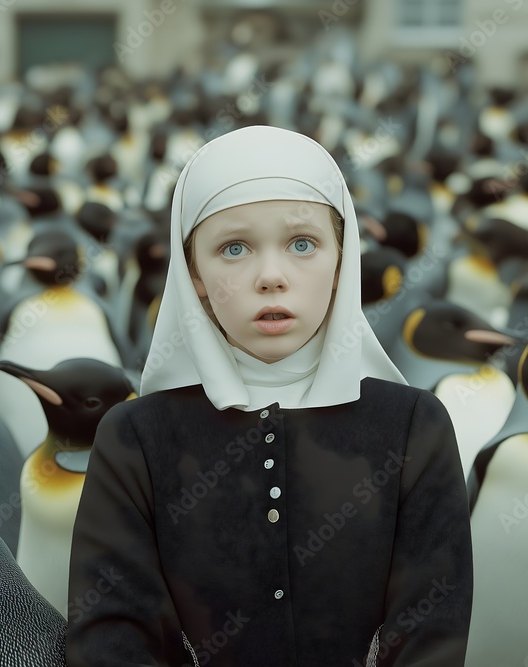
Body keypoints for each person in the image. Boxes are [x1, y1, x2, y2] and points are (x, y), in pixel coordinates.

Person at [68, 125, 472, 666]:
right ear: (194, 274)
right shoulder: (136, 438)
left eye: (302, 244)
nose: (271, 277)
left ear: (341, 260)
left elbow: (432, 629)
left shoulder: (412, 427)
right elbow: (112, 633)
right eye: (233, 248)